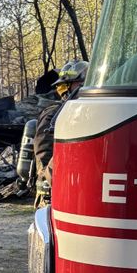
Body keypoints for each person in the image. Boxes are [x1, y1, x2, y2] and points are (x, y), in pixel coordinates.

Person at [33, 60, 89, 206]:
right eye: (82, 83)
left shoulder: (78, 112)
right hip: (53, 191)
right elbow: (45, 153)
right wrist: (50, 181)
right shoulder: (56, 115)